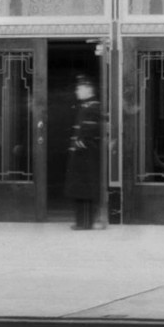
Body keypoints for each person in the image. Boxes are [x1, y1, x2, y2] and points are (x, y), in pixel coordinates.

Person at [63, 77, 105, 229]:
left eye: (79, 88)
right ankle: (82, 222)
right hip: (81, 156)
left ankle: (86, 223)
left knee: (85, 189)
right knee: (80, 189)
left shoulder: (93, 107)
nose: (77, 91)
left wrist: (82, 143)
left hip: (87, 155)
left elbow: (92, 132)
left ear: (89, 90)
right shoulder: (85, 107)